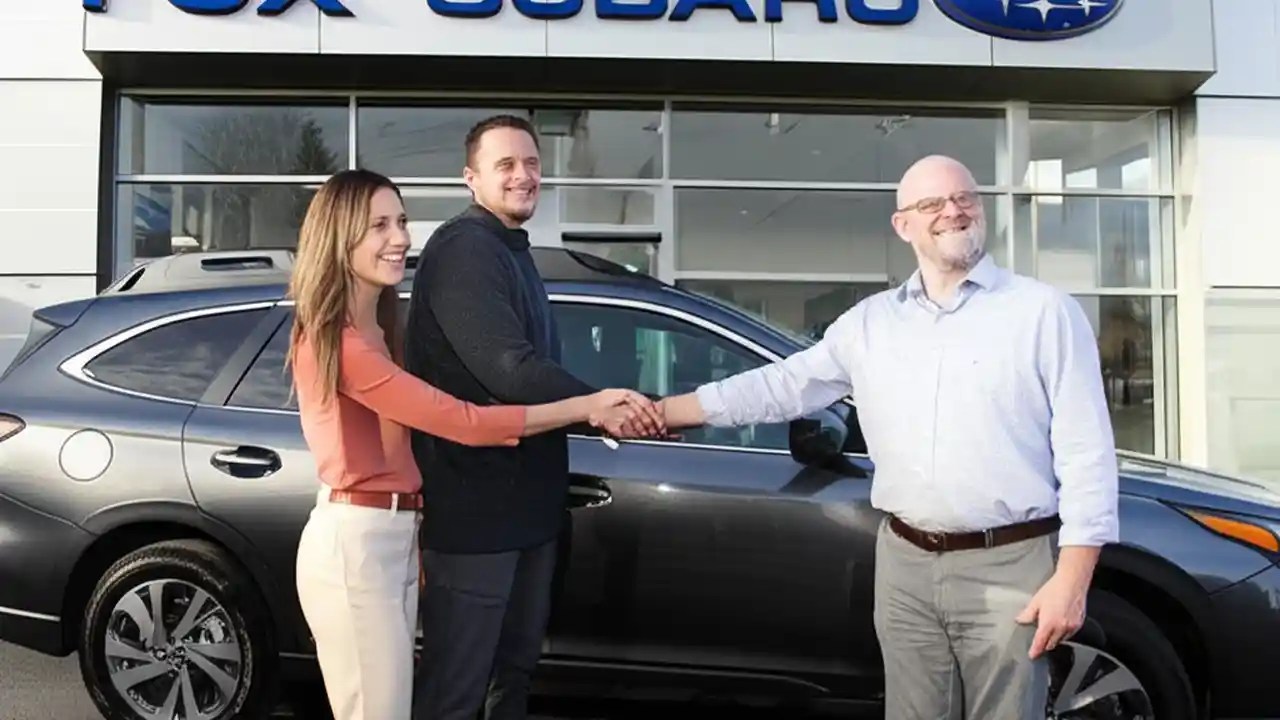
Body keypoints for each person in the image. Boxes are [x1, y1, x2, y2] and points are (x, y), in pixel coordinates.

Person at [632, 155, 1120, 719]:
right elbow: (781, 387)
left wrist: (1073, 579)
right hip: (905, 564)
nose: (953, 213)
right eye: (932, 204)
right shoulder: (870, 324)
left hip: (1009, 565)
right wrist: (666, 411)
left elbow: (1088, 454)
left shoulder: (1043, 313)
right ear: (904, 224)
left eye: (964, 198)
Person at [287, 169, 656, 720]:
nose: (401, 238)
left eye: (403, 221)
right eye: (378, 226)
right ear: (339, 237)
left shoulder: (384, 331)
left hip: (390, 537)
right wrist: (586, 406)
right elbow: (460, 421)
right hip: (354, 547)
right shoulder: (338, 343)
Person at [404, 115, 665, 720]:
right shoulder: (466, 249)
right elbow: (509, 370)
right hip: (477, 520)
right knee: (456, 694)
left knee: (511, 682)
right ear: (471, 179)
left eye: (531, 163)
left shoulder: (510, 251)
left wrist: (610, 406)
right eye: (505, 165)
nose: (523, 176)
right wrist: (602, 408)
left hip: (527, 517)